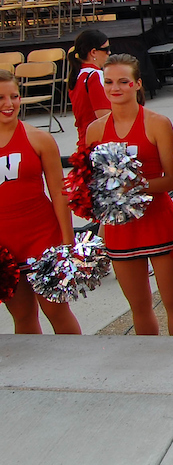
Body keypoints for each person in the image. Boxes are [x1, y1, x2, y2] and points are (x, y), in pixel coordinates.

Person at [85, 54, 173, 336]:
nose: (115, 88)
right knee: (139, 307)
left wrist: (133, 187)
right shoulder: (94, 131)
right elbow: (93, 184)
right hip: (119, 229)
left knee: (172, 302)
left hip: (158, 222)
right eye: (108, 82)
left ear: (137, 84)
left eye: (123, 81)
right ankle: (150, 365)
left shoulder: (157, 123)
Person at [0, 70, 82, 335]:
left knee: (56, 310)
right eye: (1, 98)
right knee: (22, 316)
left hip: (42, 238)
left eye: (14, 96)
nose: (9, 104)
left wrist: (67, 242)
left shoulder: (39, 138)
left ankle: (78, 368)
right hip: (4, 245)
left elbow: (59, 192)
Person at [69, 29, 111, 152]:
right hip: (100, 147)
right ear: (93, 52)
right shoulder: (95, 75)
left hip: (85, 144)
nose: (109, 52)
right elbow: (104, 118)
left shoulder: (77, 75)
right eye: (106, 49)